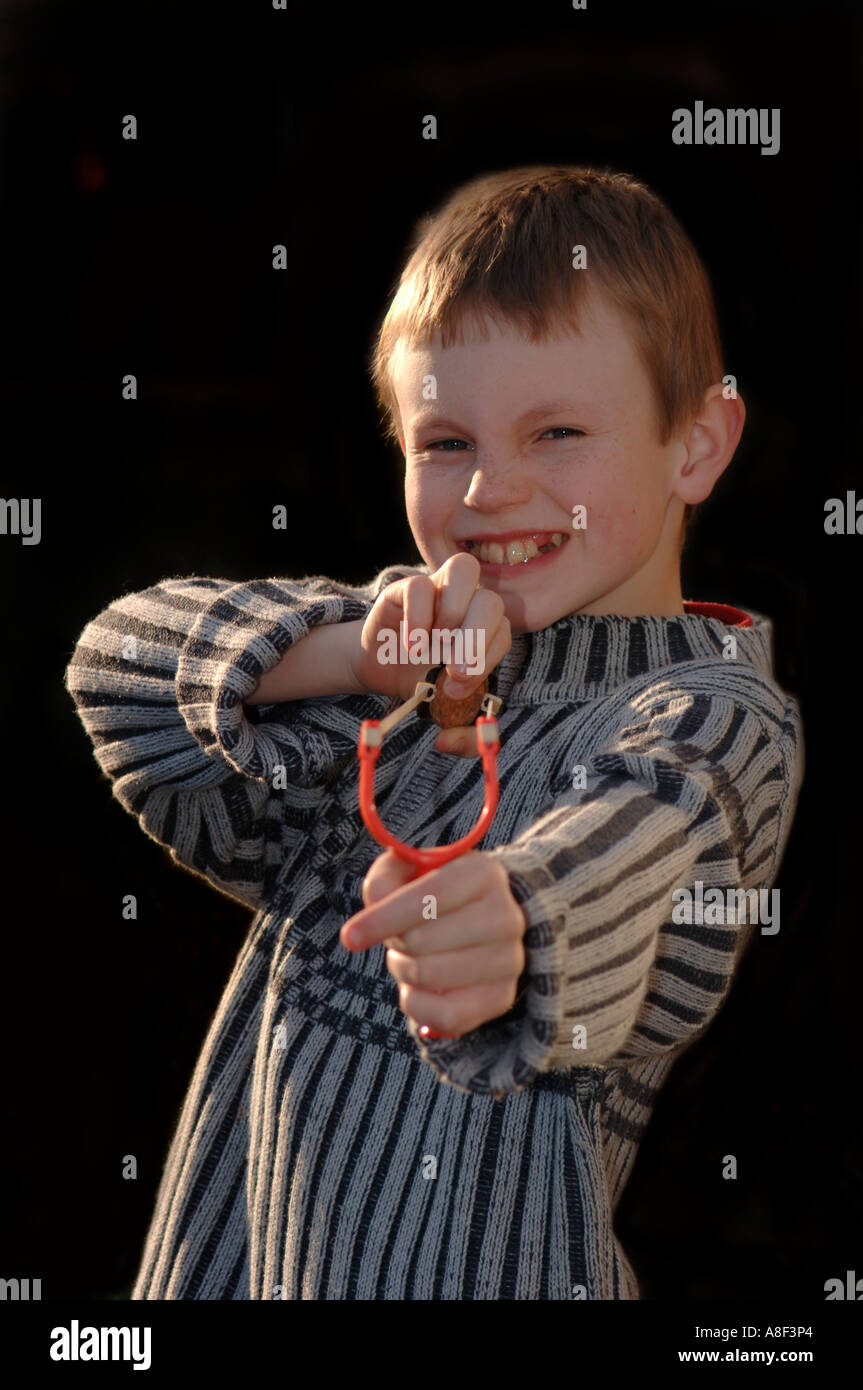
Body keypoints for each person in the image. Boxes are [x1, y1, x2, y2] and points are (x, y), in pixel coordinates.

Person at [64, 164, 804, 1300]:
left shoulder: (716, 715)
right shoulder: (395, 677)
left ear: (695, 444)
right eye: (444, 441)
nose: (492, 490)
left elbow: (650, 839)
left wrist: (515, 917)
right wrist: (355, 650)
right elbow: (113, 668)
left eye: (555, 430)